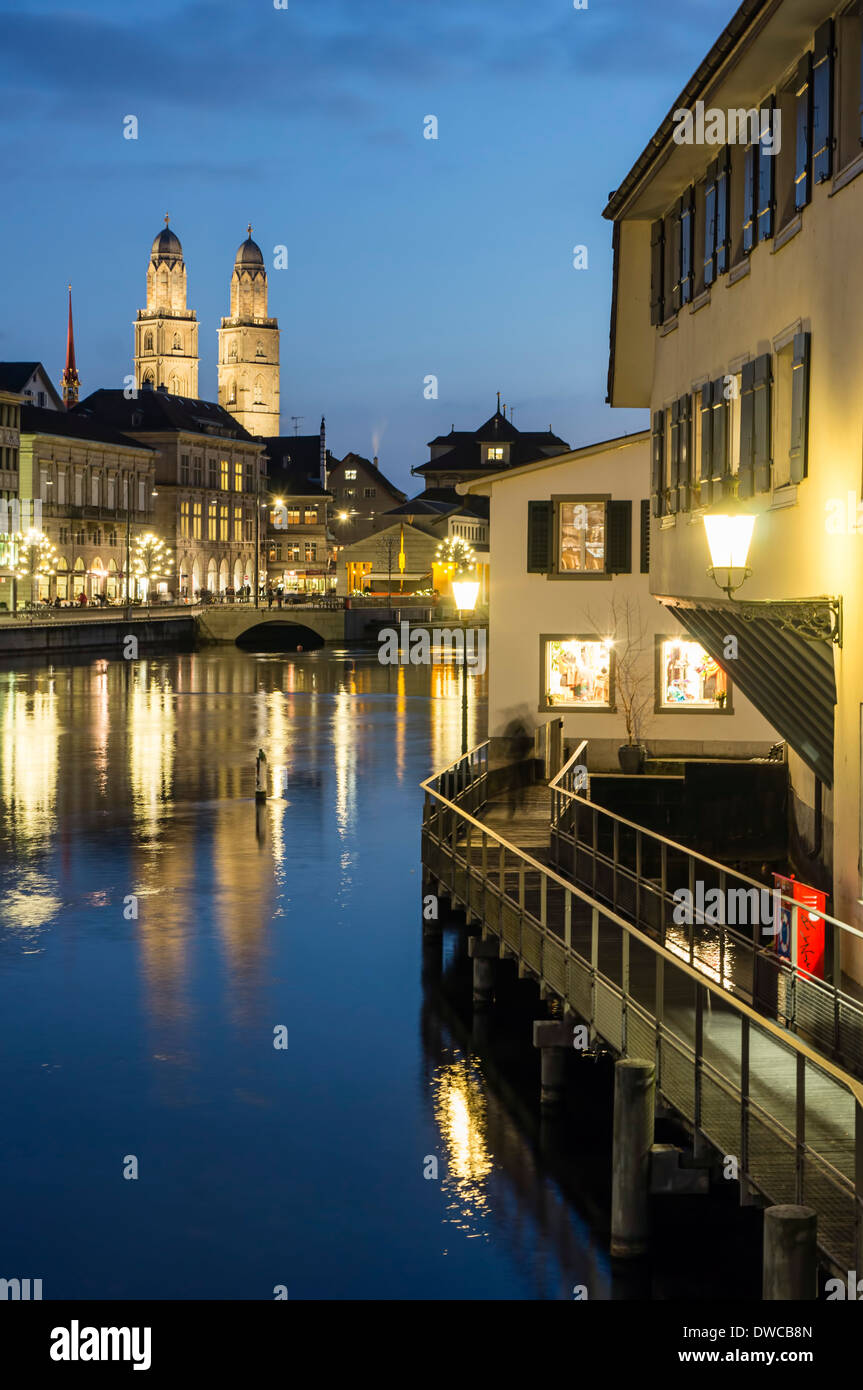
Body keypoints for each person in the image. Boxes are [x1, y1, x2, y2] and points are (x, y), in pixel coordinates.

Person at [502, 714, 534, 818]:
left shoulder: (514, 736)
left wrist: (508, 754)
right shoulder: (524, 735)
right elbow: (530, 744)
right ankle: (521, 806)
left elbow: (505, 740)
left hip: (514, 762)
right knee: (521, 786)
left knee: (512, 786)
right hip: (521, 761)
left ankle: (512, 809)